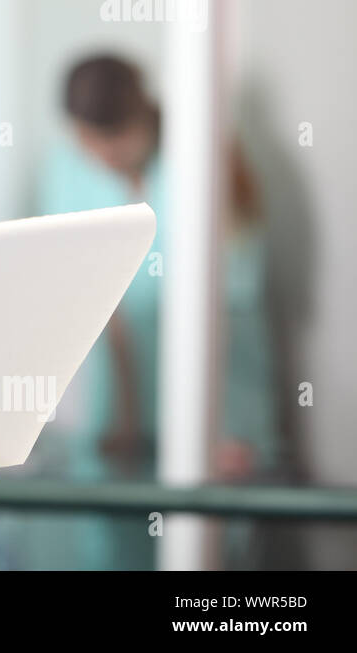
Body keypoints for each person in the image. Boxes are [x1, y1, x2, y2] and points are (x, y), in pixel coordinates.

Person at [33, 53, 278, 567]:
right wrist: (110, 414)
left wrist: (229, 428)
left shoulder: (207, 160)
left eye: (114, 138)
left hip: (218, 415)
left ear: (143, 119)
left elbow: (231, 307)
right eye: (87, 140)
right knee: (111, 552)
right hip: (110, 428)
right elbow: (81, 291)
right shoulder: (66, 166)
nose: (100, 154)